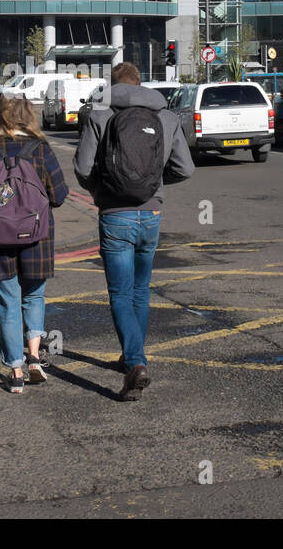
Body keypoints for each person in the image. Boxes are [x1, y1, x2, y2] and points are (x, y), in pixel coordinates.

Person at [74, 62, 194, 402]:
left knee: (120, 293)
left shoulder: (99, 114)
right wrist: (152, 184)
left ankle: (135, 362)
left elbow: (82, 168)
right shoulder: (167, 117)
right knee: (141, 290)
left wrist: (103, 188)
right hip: (151, 212)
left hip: (115, 213)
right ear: (140, 84)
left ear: (112, 85)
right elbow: (185, 168)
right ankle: (132, 356)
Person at [0, 95, 68, 393]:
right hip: (37, 234)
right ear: (29, 116)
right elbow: (59, 195)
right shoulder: (41, 149)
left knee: (8, 301)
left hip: (0, 236)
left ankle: (15, 370)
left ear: (1, 117)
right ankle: (35, 357)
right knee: (34, 295)